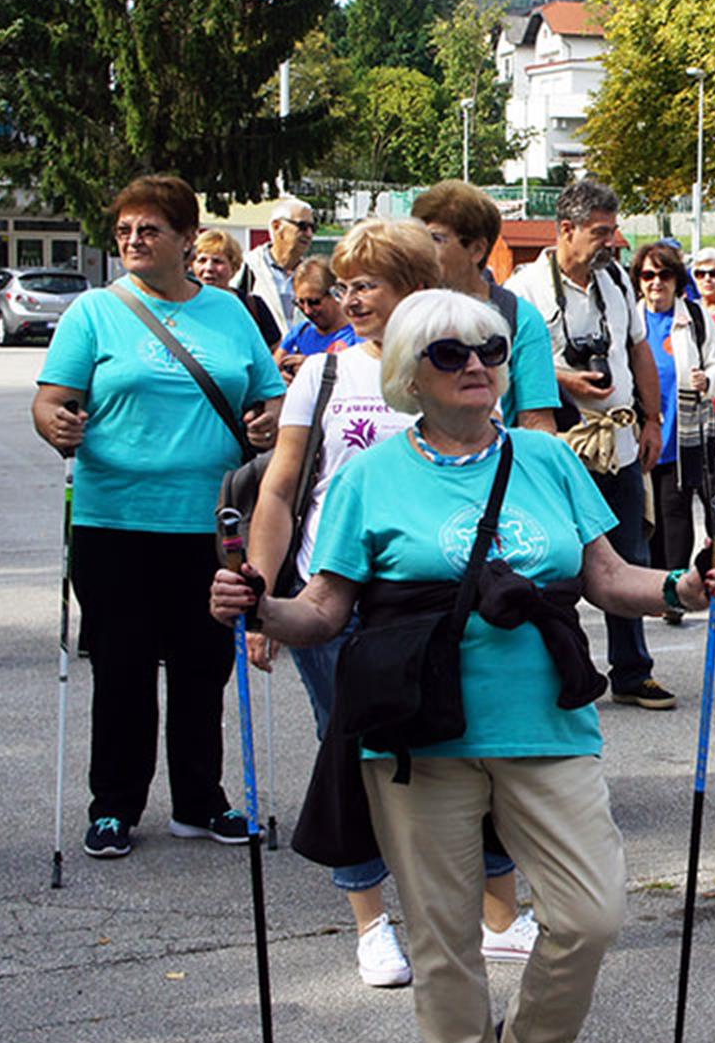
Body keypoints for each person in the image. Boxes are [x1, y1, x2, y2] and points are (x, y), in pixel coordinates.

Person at [211, 288, 715, 1043]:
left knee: (593, 909)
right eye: (452, 354)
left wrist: (686, 589)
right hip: (418, 735)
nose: (477, 366)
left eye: (490, 350)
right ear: (412, 370)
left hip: (547, 723)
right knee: (444, 932)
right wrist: (258, 605)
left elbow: (608, 578)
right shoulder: (372, 475)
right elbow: (325, 611)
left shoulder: (546, 458)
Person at [246, 221, 537, 988]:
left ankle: (501, 915)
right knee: (352, 754)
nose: (350, 299)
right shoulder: (326, 375)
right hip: (334, 598)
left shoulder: (457, 365)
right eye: (345, 285)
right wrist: (264, 593)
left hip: (436, 601)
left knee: (472, 750)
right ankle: (372, 923)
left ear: (413, 286)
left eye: (367, 283)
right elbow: (280, 489)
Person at [31, 174, 284, 860]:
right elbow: (50, 400)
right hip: (115, 522)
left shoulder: (231, 313)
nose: (133, 242)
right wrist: (57, 424)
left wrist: (267, 422)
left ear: (184, 237)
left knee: (205, 666)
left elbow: (270, 398)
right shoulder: (94, 313)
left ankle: (201, 801)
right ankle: (114, 805)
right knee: (123, 667)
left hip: (211, 524)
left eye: (148, 230)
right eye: (124, 232)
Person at [511, 180, 676, 710]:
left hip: (620, 446)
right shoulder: (526, 289)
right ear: (566, 230)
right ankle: (560, 669)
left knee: (628, 553)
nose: (610, 242)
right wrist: (567, 381)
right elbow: (514, 369)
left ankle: (632, 671)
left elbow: (639, 353)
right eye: (600, 232)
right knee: (553, 560)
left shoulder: (617, 284)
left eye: (612, 230)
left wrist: (652, 421)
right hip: (558, 445)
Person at [633, 239, 715, 622]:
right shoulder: (632, 317)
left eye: (663, 275)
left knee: (675, 517)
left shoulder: (692, 316)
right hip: (640, 436)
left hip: (683, 435)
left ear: (676, 280)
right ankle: (654, 590)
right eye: (647, 275)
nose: (655, 283)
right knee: (648, 518)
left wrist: (708, 379)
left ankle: (675, 593)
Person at [410, 180, 561, 433]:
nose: (421, 250)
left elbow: (537, 422)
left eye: (436, 239)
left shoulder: (519, 318)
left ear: (477, 250)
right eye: (418, 237)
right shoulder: (405, 312)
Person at [238, 197, 317, 338]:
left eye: (313, 228)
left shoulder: (314, 274)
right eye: (302, 226)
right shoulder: (247, 267)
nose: (309, 234)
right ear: (276, 227)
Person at [191, 228, 281, 346]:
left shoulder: (253, 306)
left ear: (234, 267)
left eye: (217, 261)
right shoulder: (183, 304)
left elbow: (275, 349)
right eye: (202, 260)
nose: (208, 268)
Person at [277, 259, 357, 365]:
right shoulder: (300, 333)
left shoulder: (357, 337)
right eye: (300, 303)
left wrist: (312, 367)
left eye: (314, 302)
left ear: (335, 294)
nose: (307, 311)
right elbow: (271, 374)